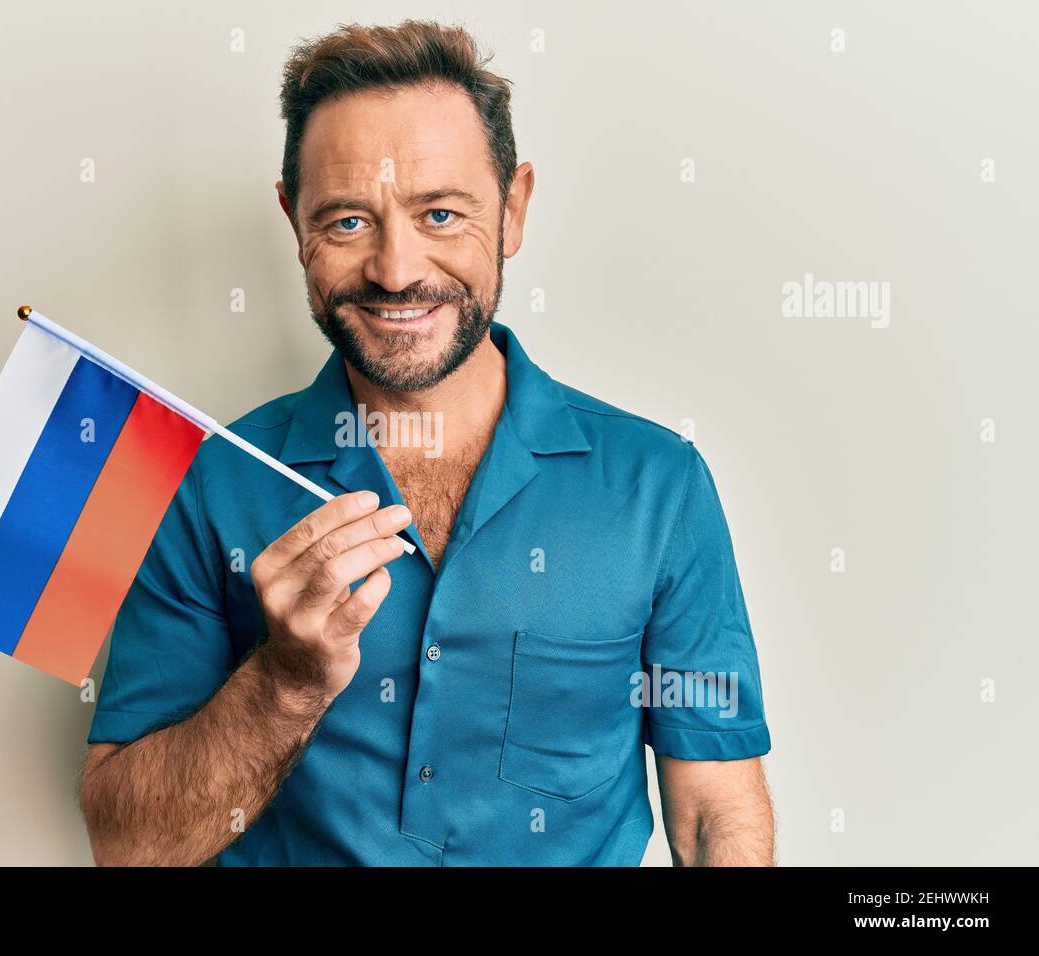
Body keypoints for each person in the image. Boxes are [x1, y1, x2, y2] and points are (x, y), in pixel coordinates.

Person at [79, 19, 774, 866]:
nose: (396, 268)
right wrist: (285, 683)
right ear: (292, 220)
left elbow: (713, 808)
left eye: (439, 213)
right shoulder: (204, 481)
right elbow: (129, 849)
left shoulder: (660, 486)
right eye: (345, 223)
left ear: (513, 210)